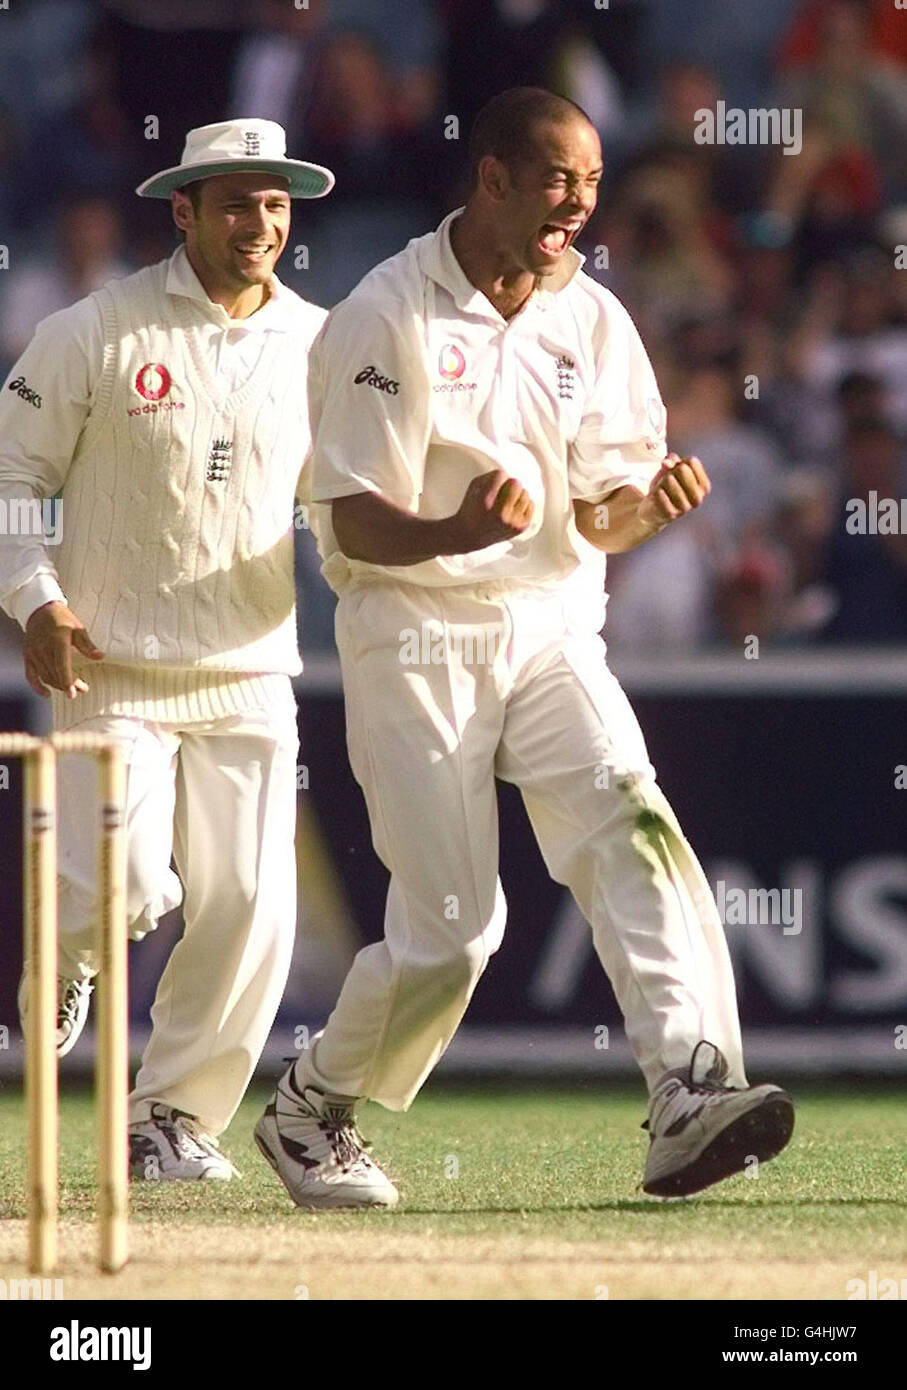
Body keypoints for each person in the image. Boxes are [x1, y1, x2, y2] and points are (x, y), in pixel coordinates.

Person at [253, 89, 794, 1209]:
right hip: (415, 633)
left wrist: (649, 508)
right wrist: (460, 527)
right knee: (454, 932)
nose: (576, 206)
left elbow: (598, 517)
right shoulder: (386, 310)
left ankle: (688, 1087)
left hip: (552, 624)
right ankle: (312, 1102)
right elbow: (348, 517)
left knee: (625, 813)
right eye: (556, 180)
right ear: (489, 177)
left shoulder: (589, 319)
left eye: (590, 184)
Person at [0, 119, 333, 1179]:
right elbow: (11, 483)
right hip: (110, 667)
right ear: (182, 210)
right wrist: (34, 599)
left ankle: (168, 1121)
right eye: (238, 202)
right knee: (123, 880)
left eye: (276, 203)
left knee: (249, 906)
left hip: (247, 667)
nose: (261, 223)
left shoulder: (324, 344)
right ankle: (66, 956)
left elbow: (348, 505)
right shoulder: (91, 331)